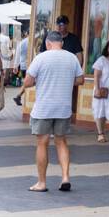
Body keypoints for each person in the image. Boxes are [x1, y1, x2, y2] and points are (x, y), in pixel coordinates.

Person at [24, 31, 84, 192]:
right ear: (61, 43)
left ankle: (42, 183)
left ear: (48, 43)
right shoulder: (71, 58)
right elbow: (80, 79)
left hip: (44, 108)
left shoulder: (41, 58)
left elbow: (27, 82)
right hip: (63, 108)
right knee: (61, 142)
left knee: (42, 143)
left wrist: (42, 79)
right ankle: (65, 177)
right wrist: (64, 80)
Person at [13, 32, 29, 106]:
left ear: (26, 34)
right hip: (31, 65)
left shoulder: (22, 42)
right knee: (28, 83)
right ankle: (19, 96)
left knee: (27, 82)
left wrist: (16, 66)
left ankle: (19, 96)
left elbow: (17, 54)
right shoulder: (35, 41)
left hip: (23, 66)